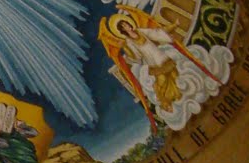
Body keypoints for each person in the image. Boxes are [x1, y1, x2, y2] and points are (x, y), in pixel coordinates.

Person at [99, 11, 231, 132]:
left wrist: (173, 26)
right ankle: (166, 104)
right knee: (161, 82)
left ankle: (184, 96)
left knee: (174, 76)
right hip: (153, 63)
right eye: (124, 26)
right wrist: (125, 49)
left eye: (127, 23)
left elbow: (157, 33)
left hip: (162, 57)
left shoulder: (140, 31)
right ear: (122, 31)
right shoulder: (129, 42)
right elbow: (137, 57)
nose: (128, 26)